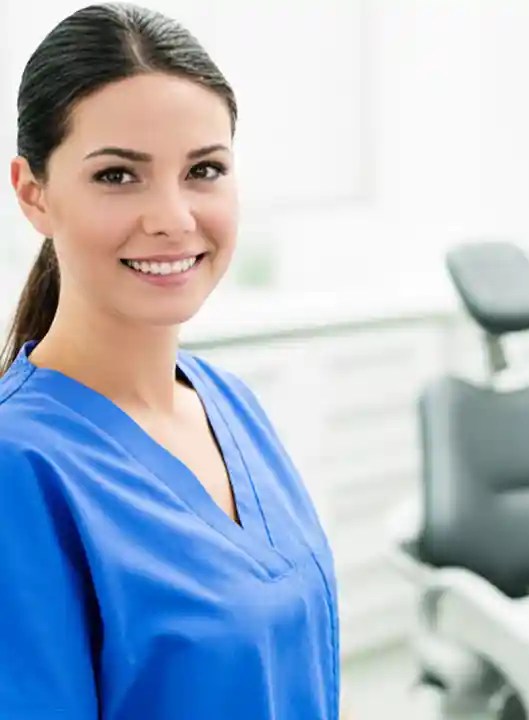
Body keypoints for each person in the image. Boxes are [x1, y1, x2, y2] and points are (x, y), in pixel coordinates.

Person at [0, 4, 340, 718]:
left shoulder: (229, 403)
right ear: (33, 193)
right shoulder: (19, 470)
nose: (173, 217)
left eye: (204, 170)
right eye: (119, 176)